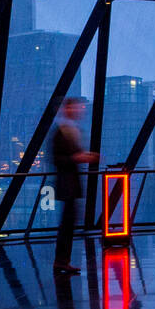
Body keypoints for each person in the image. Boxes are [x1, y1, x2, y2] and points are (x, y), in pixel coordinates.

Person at [49, 96, 98, 274]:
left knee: (68, 223)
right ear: (68, 109)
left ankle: (62, 261)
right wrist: (77, 157)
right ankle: (61, 261)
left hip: (70, 185)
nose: (80, 111)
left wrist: (81, 156)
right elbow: (57, 159)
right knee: (67, 224)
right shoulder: (61, 132)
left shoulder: (70, 130)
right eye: (77, 108)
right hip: (67, 185)